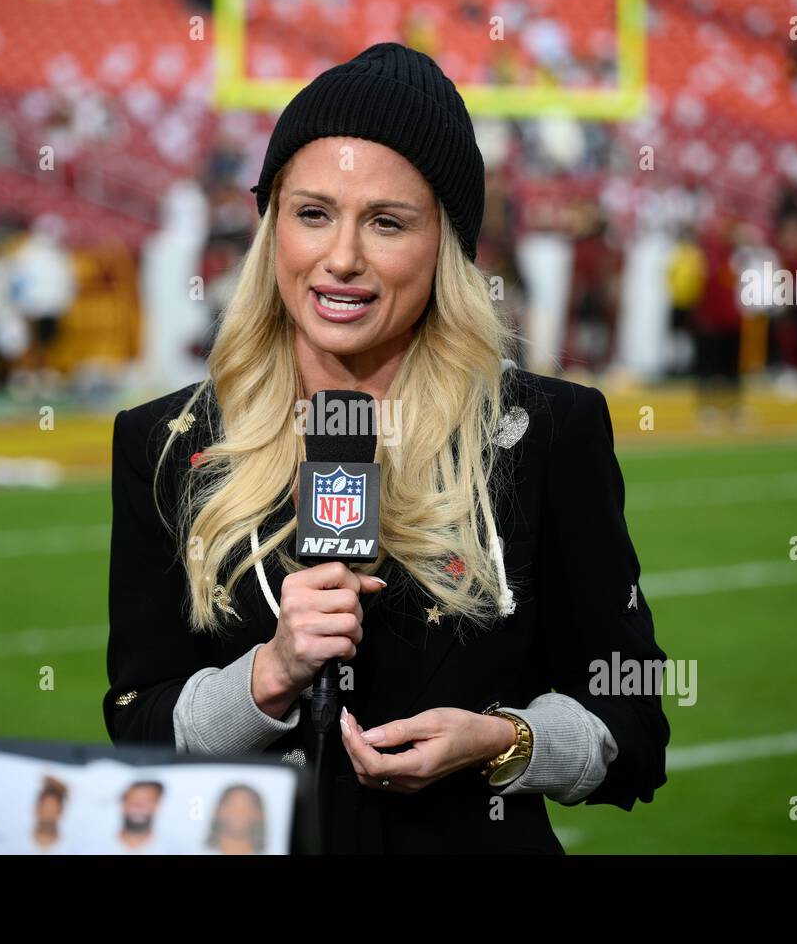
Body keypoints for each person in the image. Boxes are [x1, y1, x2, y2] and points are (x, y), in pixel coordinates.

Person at [103, 43, 669, 854]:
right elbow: (136, 734)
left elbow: (635, 723)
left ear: (448, 243)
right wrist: (264, 680)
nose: (342, 258)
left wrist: (502, 743)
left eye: (387, 222)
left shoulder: (549, 432)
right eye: (313, 213)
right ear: (271, 227)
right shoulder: (162, 443)